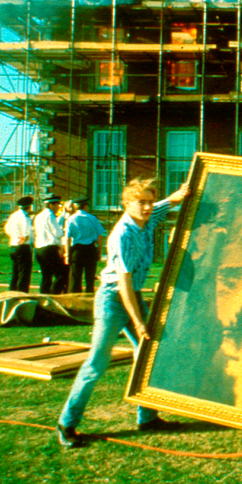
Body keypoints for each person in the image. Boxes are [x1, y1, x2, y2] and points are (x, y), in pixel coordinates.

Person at [56, 178, 189, 448]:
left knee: (149, 354)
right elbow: (124, 283)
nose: (148, 207)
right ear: (127, 204)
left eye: (150, 201)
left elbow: (166, 205)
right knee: (97, 363)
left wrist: (181, 193)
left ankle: (147, 418)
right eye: (141, 202)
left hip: (134, 295)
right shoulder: (123, 234)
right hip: (113, 299)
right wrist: (139, 321)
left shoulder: (147, 218)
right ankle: (66, 424)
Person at [65, 197, 107, 294]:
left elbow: (67, 238)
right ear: (85, 206)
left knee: (75, 278)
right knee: (90, 278)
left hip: (77, 250)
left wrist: (67, 254)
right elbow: (100, 236)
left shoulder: (70, 219)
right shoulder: (92, 218)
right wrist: (99, 251)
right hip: (90, 249)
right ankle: (89, 298)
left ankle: (74, 299)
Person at [34, 195, 68, 295]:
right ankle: (54, 295)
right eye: (58, 204)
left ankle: (44, 296)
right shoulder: (50, 215)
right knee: (62, 275)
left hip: (39, 249)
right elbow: (58, 233)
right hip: (50, 249)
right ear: (51, 205)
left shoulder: (38, 216)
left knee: (46, 276)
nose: (59, 207)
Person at [4, 196, 34, 293]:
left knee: (15, 274)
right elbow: (27, 232)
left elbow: (7, 229)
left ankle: (12, 293)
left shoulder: (14, 215)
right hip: (23, 247)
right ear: (30, 206)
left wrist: (14, 237)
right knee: (24, 274)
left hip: (13, 246)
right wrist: (24, 239)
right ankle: (22, 294)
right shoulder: (25, 217)